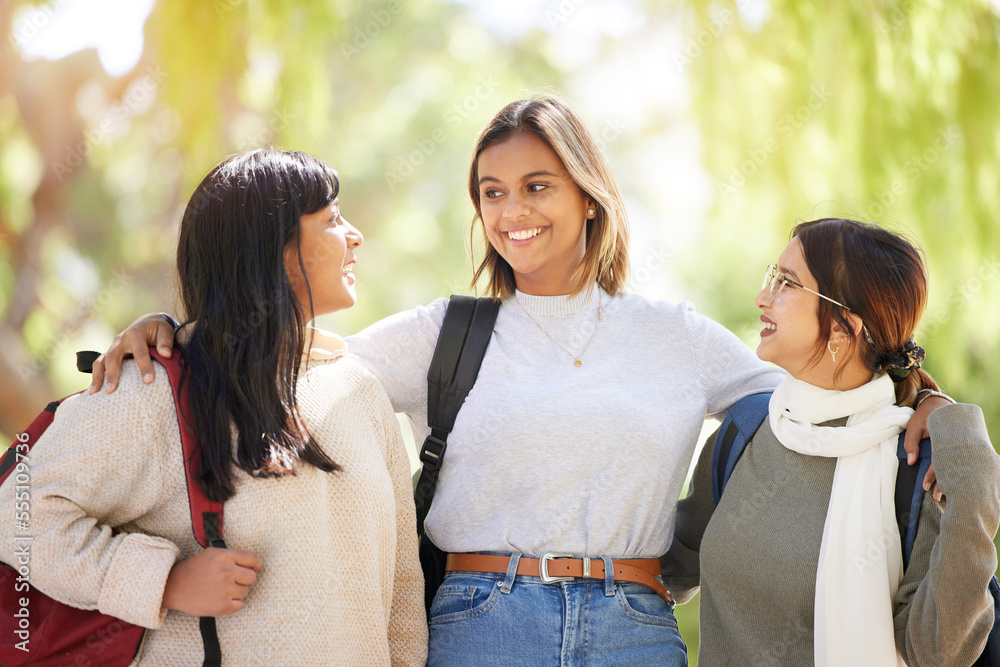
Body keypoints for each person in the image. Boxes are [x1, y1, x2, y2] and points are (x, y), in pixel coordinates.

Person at [87, 100, 947, 665]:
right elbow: (280, 358)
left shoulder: (676, 336)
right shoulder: (444, 333)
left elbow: (826, 385)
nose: (512, 211)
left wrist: (928, 399)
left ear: (588, 197)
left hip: (633, 629)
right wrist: (172, 332)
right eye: (492, 191)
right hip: (475, 622)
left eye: (537, 185)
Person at [0, 150, 427, 665]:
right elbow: (17, 515)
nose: (355, 235)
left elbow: (402, 585)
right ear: (274, 249)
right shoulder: (153, 389)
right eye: (332, 219)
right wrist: (162, 581)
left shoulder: (360, 390)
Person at [661, 218, 1000, 665]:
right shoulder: (745, 432)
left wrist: (976, 469)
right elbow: (668, 573)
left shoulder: (921, 464)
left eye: (787, 284)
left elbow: (938, 649)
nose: (763, 297)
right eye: (771, 277)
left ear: (844, 327)